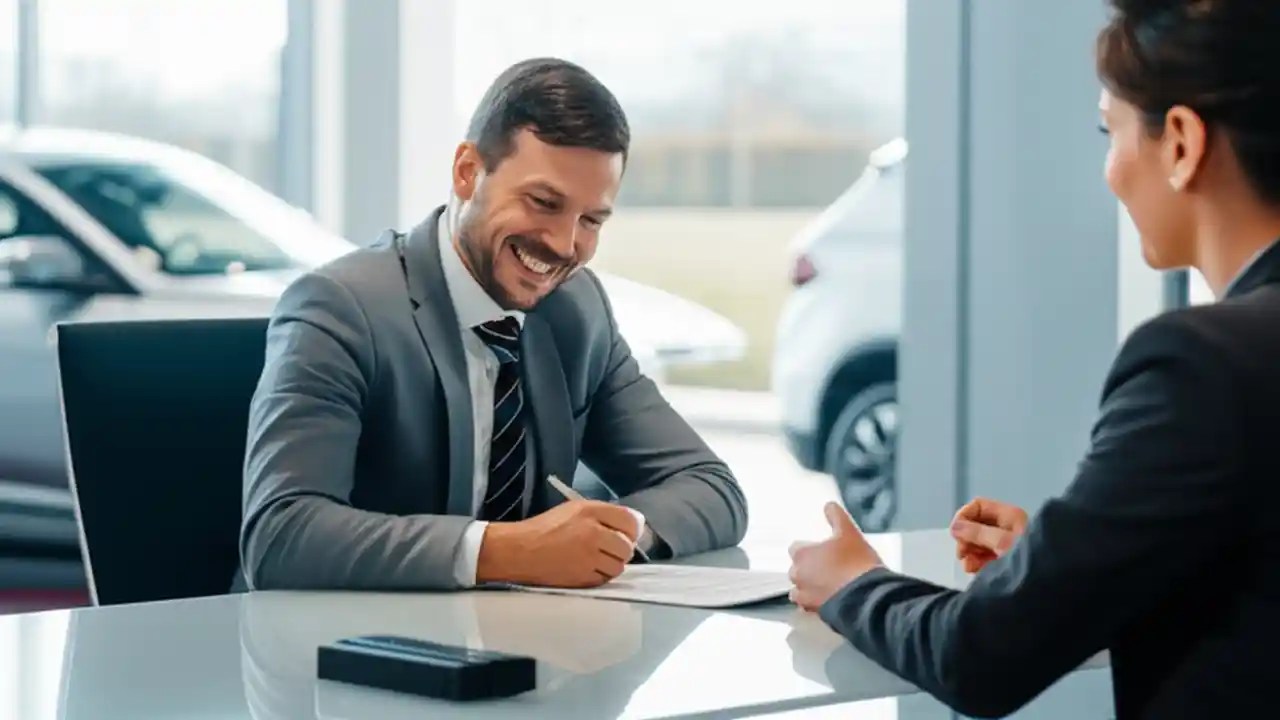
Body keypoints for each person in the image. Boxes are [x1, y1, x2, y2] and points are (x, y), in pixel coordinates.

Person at [787, 0, 1280, 717]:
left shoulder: (1200, 364)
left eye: (1109, 131)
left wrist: (854, 584)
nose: (1110, 172)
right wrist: (1066, 569)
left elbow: (980, 657)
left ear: (1179, 142)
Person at [239, 58, 748, 592]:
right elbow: (281, 534)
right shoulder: (340, 306)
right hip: (331, 654)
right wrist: (508, 550)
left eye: (591, 220)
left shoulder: (577, 310)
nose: (563, 244)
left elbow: (712, 488)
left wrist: (614, 536)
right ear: (466, 172)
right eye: (543, 202)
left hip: (516, 646)